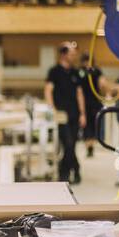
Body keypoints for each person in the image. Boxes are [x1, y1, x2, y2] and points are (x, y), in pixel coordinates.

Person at [44, 43, 85, 184]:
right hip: (61, 114)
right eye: (71, 54)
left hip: (75, 114)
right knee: (67, 144)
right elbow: (48, 90)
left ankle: (73, 171)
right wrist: (52, 109)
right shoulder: (54, 71)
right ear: (63, 54)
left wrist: (82, 114)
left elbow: (80, 94)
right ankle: (66, 173)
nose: (74, 57)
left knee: (72, 144)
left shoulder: (75, 72)